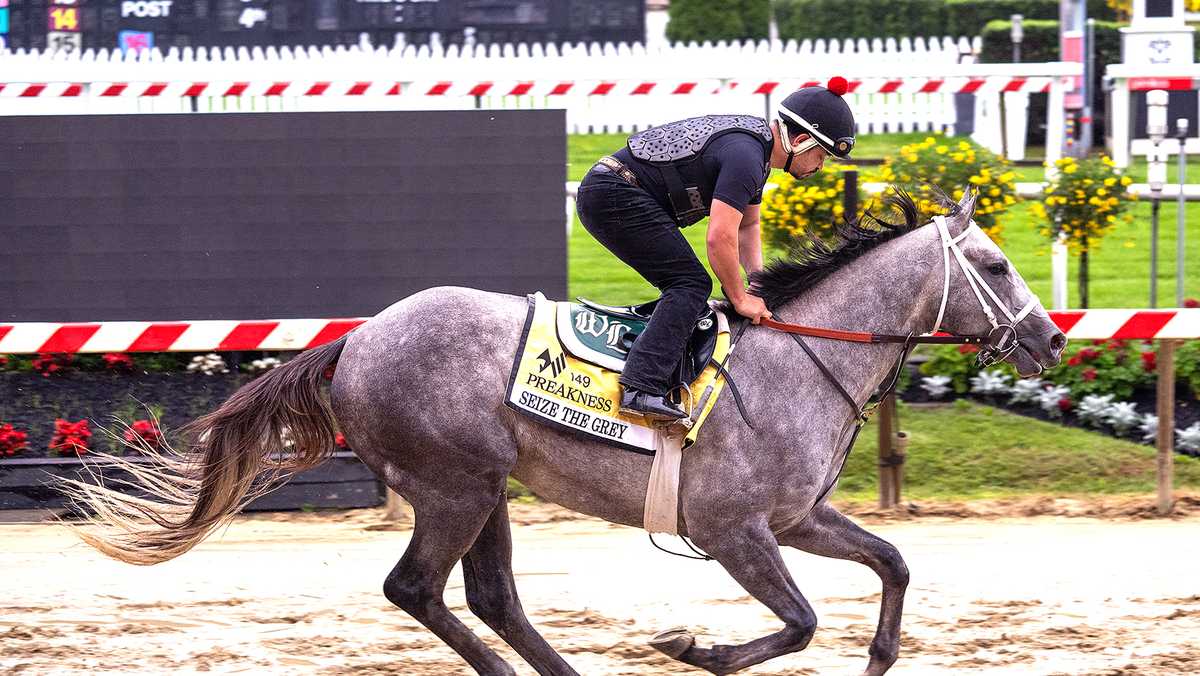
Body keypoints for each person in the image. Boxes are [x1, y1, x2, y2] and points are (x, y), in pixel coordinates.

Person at [575, 77, 857, 420]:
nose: (820, 166)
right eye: (821, 155)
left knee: (686, 282)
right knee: (689, 283)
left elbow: (747, 227)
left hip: (614, 189)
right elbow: (719, 237)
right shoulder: (747, 159)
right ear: (800, 140)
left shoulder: (757, 151)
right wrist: (738, 298)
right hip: (613, 194)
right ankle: (640, 386)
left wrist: (758, 285)